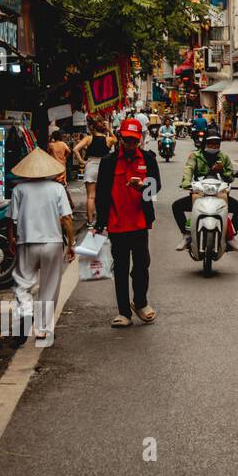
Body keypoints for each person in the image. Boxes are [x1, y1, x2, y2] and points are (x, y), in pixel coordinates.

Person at [93, 118, 160, 329]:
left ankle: (140, 302)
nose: (130, 144)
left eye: (134, 141)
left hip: (140, 223)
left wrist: (142, 187)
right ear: (120, 137)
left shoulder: (148, 159)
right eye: (127, 140)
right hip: (117, 224)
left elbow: (156, 187)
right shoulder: (108, 161)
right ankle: (123, 312)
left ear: (139, 140)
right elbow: (102, 194)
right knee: (120, 269)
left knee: (141, 266)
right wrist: (99, 222)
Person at [7, 148, 75, 343]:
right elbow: (67, 219)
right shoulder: (57, 189)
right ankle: (43, 329)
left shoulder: (19, 189)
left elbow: (11, 220)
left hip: (26, 241)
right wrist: (71, 244)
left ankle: (27, 312)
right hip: (52, 242)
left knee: (23, 283)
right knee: (49, 286)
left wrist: (11, 239)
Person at [173, 130, 238, 251]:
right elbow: (188, 170)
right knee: (176, 206)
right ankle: (187, 234)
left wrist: (221, 171)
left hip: (219, 191)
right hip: (199, 191)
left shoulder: (224, 157)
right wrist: (186, 183)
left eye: (216, 143)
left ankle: (230, 237)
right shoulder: (195, 156)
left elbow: (230, 177)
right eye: (211, 143)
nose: (214, 146)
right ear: (205, 143)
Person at [74, 119, 113, 223]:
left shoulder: (88, 138)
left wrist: (82, 161)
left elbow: (75, 149)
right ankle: (103, 219)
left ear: (93, 128)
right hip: (104, 167)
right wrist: (109, 129)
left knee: (91, 196)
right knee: (104, 194)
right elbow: (117, 140)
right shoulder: (108, 140)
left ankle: (90, 220)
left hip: (91, 165)